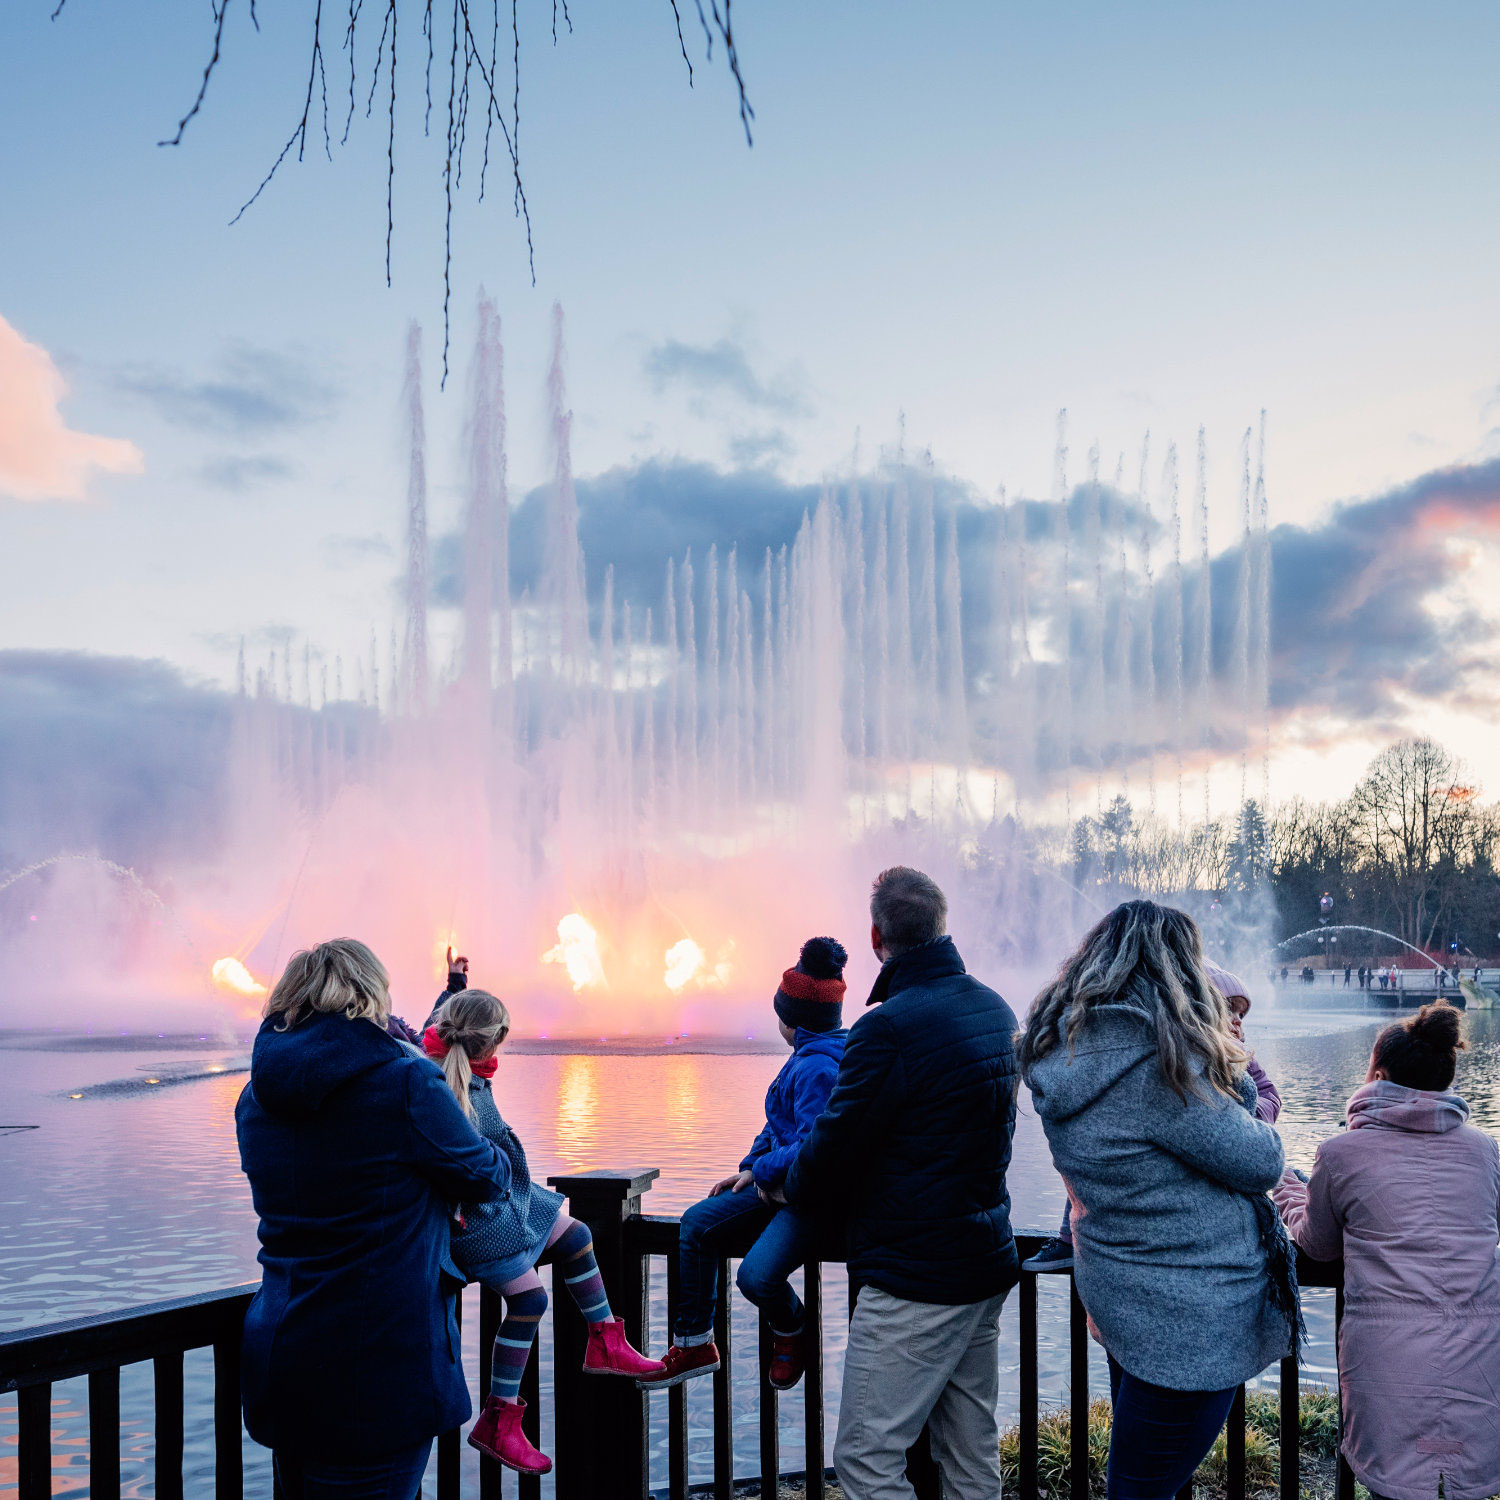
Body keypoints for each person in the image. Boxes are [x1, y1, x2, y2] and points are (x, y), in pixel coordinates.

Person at [1019, 901, 1296, 1499]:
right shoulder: (1160, 1068)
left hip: (1123, 1300)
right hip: (1190, 1320)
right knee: (1140, 1491)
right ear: (1178, 972)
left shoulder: (1067, 1054)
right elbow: (1261, 1160)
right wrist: (1228, 1063)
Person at [236, 939, 510, 1500]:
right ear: (369, 999)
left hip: (283, 1359)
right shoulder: (405, 1086)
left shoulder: (256, 1098)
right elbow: (486, 1177)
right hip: (379, 1371)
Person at [783, 868, 1020, 1500]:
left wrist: (781, 1185)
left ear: (875, 936)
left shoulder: (887, 1028)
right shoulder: (995, 1009)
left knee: (865, 1457)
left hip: (916, 1275)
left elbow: (827, 1156)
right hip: (985, 1263)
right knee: (970, 1453)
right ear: (943, 927)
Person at [424, 987, 663, 1475]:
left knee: (576, 1235)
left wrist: (453, 982)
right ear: (489, 1044)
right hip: (479, 1221)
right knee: (531, 1301)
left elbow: (437, 1020)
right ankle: (498, 1420)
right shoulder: (438, 1081)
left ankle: (606, 1342)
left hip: (510, 1199)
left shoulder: (450, 1057)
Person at [1275, 1004, 1500, 1498]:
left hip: (1386, 1369)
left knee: (1392, 1485)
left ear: (1377, 1075)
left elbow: (1317, 1244)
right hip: (1477, 1360)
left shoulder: (1340, 1153)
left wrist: (1292, 1195)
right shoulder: (1486, 1153)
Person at [638, 937, 850, 1394]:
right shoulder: (805, 1059)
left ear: (791, 1018)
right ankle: (695, 1341)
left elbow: (816, 1145)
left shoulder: (819, 1068)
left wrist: (768, 1171)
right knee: (696, 1223)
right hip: (776, 1186)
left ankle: (793, 1326)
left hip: (808, 1200)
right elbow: (777, 1126)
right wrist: (753, 1166)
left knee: (754, 1277)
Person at [1023, 960, 1280, 1273]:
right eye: (1229, 1010)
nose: (1238, 1021)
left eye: (1242, 1013)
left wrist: (1248, 1119)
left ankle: (1070, 1238)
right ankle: (1068, 1238)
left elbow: (1269, 1098)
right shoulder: (1171, 1064)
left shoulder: (1239, 1059)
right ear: (1201, 1008)